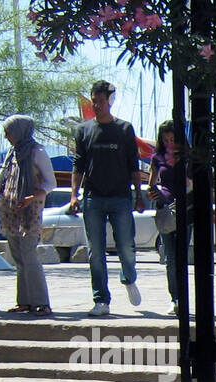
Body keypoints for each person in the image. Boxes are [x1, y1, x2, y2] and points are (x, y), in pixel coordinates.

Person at [70, 80, 145, 316]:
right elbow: (78, 165)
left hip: (121, 197)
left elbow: (134, 164)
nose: (97, 105)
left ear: (109, 101)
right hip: (93, 198)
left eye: (101, 101)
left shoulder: (124, 129)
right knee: (96, 250)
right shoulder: (83, 130)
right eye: (94, 101)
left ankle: (129, 277)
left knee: (126, 247)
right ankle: (101, 299)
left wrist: (139, 195)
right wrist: (74, 195)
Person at [0, 115, 56, 316]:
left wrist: (32, 197)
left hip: (30, 212)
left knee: (29, 255)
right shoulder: (12, 154)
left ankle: (41, 302)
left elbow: (50, 183)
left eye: (9, 131)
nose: (6, 136)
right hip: (11, 212)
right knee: (18, 257)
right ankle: (24, 301)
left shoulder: (38, 152)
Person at [146, 120, 193, 317]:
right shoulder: (157, 157)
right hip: (165, 208)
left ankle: (182, 298)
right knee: (170, 258)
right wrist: (152, 193)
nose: (169, 143)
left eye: (173, 139)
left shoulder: (189, 157)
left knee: (181, 257)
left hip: (186, 209)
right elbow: (151, 182)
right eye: (166, 140)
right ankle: (175, 299)